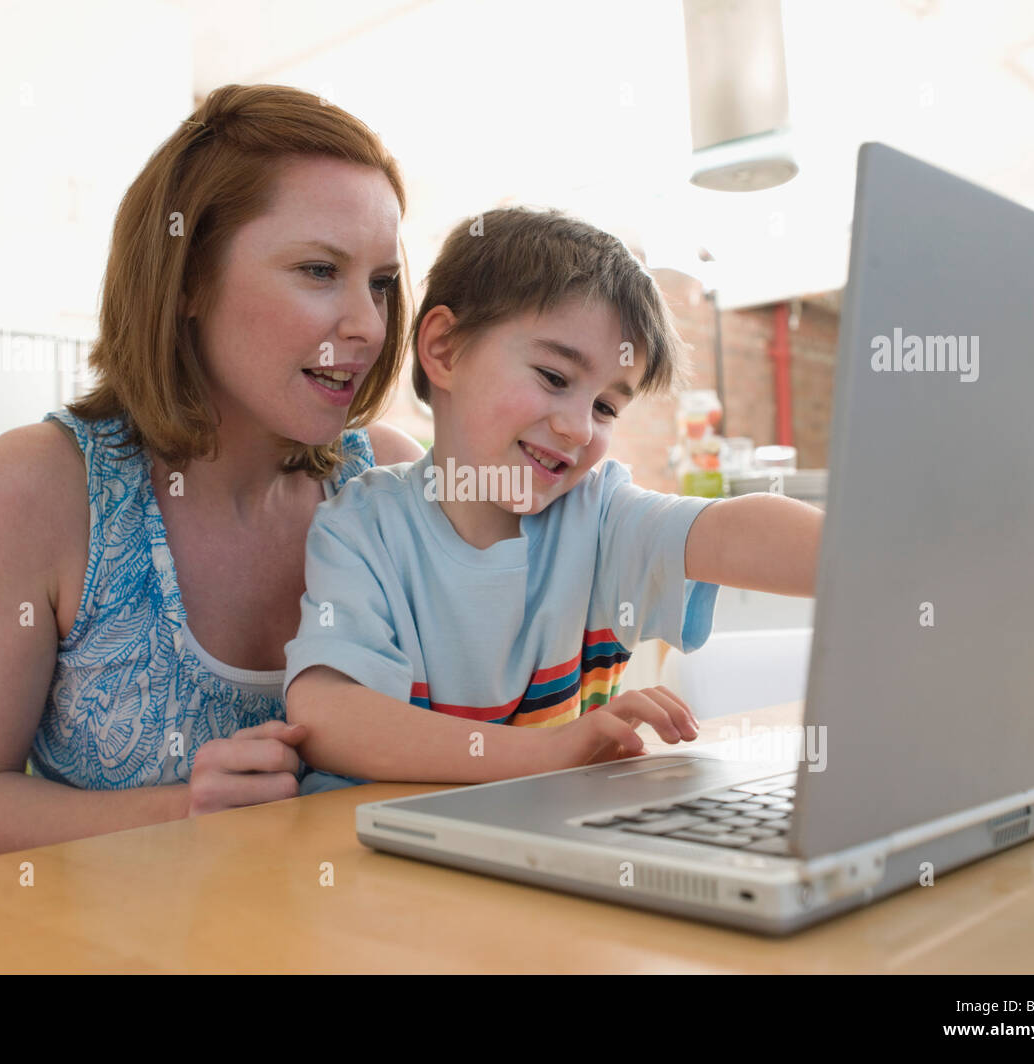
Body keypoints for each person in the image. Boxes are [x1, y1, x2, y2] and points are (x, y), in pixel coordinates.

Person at [0, 84, 423, 862]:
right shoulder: (39, 487)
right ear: (188, 278)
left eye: (381, 282)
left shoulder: (388, 482)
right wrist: (184, 811)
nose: (367, 323)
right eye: (320, 270)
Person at [283, 207, 824, 783]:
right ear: (443, 349)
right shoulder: (363, 527)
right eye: (554, 378)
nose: (580, 428)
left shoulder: (601, 517)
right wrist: (550, 753)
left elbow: (735, 532)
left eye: (606, 406)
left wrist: (885, 561)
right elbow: (329, 717)